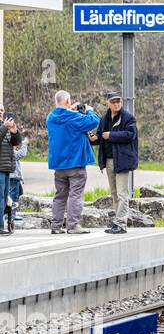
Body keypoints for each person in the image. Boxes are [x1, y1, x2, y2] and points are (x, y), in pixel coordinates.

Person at [46, 91, 102, 235]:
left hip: (59, 165)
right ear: (68, 101)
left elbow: (65, 120)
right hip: (75, 163)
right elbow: (94, 121)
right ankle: (73, 226)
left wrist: (70, 110)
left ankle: (56, 226)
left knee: (60, 195)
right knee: (75, 194)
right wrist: (89, 110)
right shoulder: (73, 117)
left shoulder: (50, 118)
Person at [92, 91, 138, 235]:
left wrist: (111, 135)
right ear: (108, 103)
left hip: (123, 161)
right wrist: (94, 139)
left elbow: (130, 135)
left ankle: (121, 224)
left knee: (123, 194)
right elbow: (101, 136)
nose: (117, 104)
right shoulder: (105, 118)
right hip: (109, 161)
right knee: (114, 193)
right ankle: (117, 222)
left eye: (119, 101)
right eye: (114, 102)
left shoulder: (128, 118)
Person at [0, 109, 20, 235]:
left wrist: (15, 132)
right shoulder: (3, 127)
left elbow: (16, 142)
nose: (1, 112)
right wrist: (4, 127)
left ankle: (2, 225)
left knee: (4, 199)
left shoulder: (5, 126)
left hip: (7, 168)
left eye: (2, 110)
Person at [9, 127, 27, 229]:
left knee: (15, 195)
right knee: (13, 197)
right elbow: (22, 154)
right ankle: (12, 215)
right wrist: (24, 144)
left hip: (14, 177)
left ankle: (11, 214)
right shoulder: (11, 151)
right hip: (13, 177)